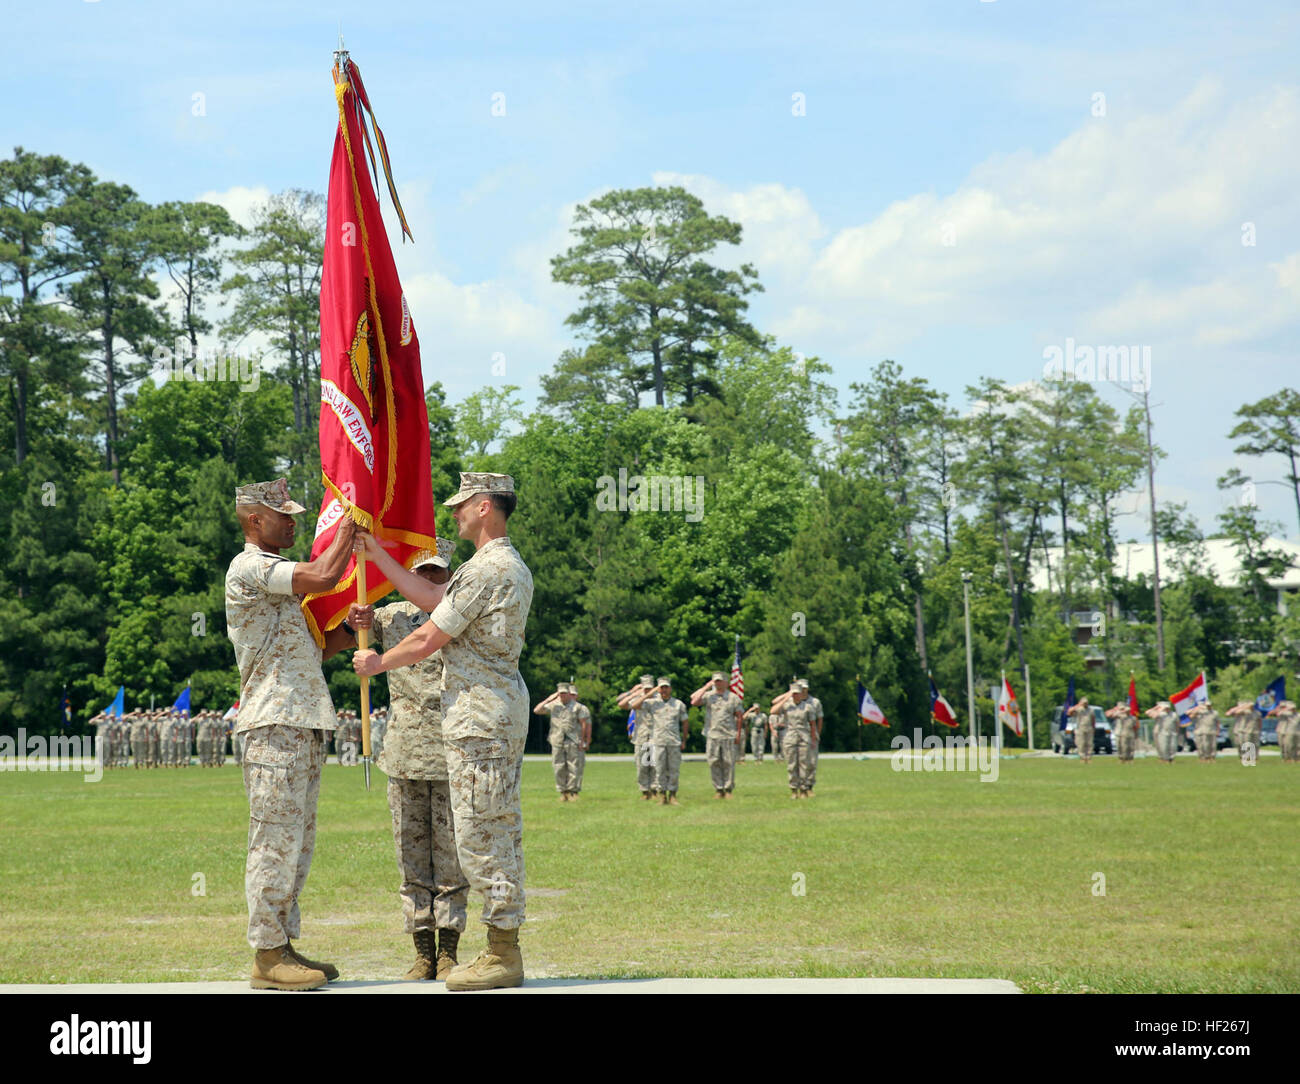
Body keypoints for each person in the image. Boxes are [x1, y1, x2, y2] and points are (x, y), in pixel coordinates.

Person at [353, 471, 534, 992]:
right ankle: (501, 945)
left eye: (460, 506)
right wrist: (379, 558)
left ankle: (503, 951)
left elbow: (429, 635)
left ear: (483, 506)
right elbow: (432, 600)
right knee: (487, 828)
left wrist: (377, 662)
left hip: (482, 718)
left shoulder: (488, 568)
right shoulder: (494, 565)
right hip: (486, 714)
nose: (453, 513)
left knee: (483, 834)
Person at [226, 476, 360, 991]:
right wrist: (351, 528)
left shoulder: (279, 577)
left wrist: (348, 633)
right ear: (254, 519)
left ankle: (282, 944)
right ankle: (265, 953)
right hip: (273, 722)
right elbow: (325, 575)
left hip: (302, 720)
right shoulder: (252, 566)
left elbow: (316, 651)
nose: (293, 521)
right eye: (283, 515)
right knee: (274, 841)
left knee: (296, 843)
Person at [349, 537, 468, 981]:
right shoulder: (390, 616)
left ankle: (450, 950)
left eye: (436, 572)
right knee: (411, 858)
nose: (428, 578)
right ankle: (422, 949)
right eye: (420, 571)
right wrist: (354, 618)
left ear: (450, 574)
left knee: (452, 860)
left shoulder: (459, 614)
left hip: (451, 749)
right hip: (403, 754)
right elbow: (348, 633)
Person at [629, 678, 688, 804]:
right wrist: (649, 694)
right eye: (661, 687)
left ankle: (672, 795)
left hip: (673, 741)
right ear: (658, 689)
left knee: (673, 769)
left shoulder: (678, 704)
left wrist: (684, 740)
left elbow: (685, 722)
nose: (664, 690)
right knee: (659, 770)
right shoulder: (652, 703)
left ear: (670, 688)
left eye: (666, 687)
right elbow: (634, 706)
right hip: (658, 742)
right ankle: (662, 796)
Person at [690, 672, 743, 799]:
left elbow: (739, 716)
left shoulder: (733, 697)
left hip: (728, 734)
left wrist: (738, 733)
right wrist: (706, 686)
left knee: (728, 763)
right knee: (714, 762)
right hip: (712, 734)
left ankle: (728, 789)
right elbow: (694, 701)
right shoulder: (708, 696)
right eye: (715, 681)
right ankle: (719, 789)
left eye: (720, 681)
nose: (717, 683)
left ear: (726, 682)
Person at [536, 682, 591, 801]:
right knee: (558, 766)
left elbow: (584, 724)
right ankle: (563, 792)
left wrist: (583, 741)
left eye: (565, 693)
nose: (562, 696)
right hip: (557, 740)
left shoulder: (577, 707)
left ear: (569, 693)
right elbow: (537, 710)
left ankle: (573, 791)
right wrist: (550, 698)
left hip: (573, 740)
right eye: (560, 693)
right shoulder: (553, 705)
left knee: (573, 767)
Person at [771, 682, 816, 797]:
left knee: (804, 764)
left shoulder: (808, 707)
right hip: (790, 737)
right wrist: (787, 697)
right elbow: (773, 710)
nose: (796, 696)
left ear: (802, 694)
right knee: (791, 765)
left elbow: (812, 724)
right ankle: (794, 789)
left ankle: (804, 789)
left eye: (797, 693)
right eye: (794, 694)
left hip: (804, 737)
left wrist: (814, 739)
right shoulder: (786, 705)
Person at [619, 674, 657, 798]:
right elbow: (622, 704)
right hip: (641, 736)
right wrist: (634, 693)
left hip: (656, 736)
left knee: (655, 764)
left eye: (649, 688)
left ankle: (655, 790)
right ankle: (645, 791)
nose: (647, 690)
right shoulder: (638, 699)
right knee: (642, 765)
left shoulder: (659, 698)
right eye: (645, 688)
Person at [798, 680, 824, 792]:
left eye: (805, 688)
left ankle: (809, 786)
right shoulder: (794, 701)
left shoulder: (815, 702)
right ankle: (799, 785)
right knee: (799, 762)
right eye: (801, 688)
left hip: (811, 733)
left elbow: (820, 718)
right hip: (798, 734)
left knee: (812, 762)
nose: (803, 690)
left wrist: (818, 733)